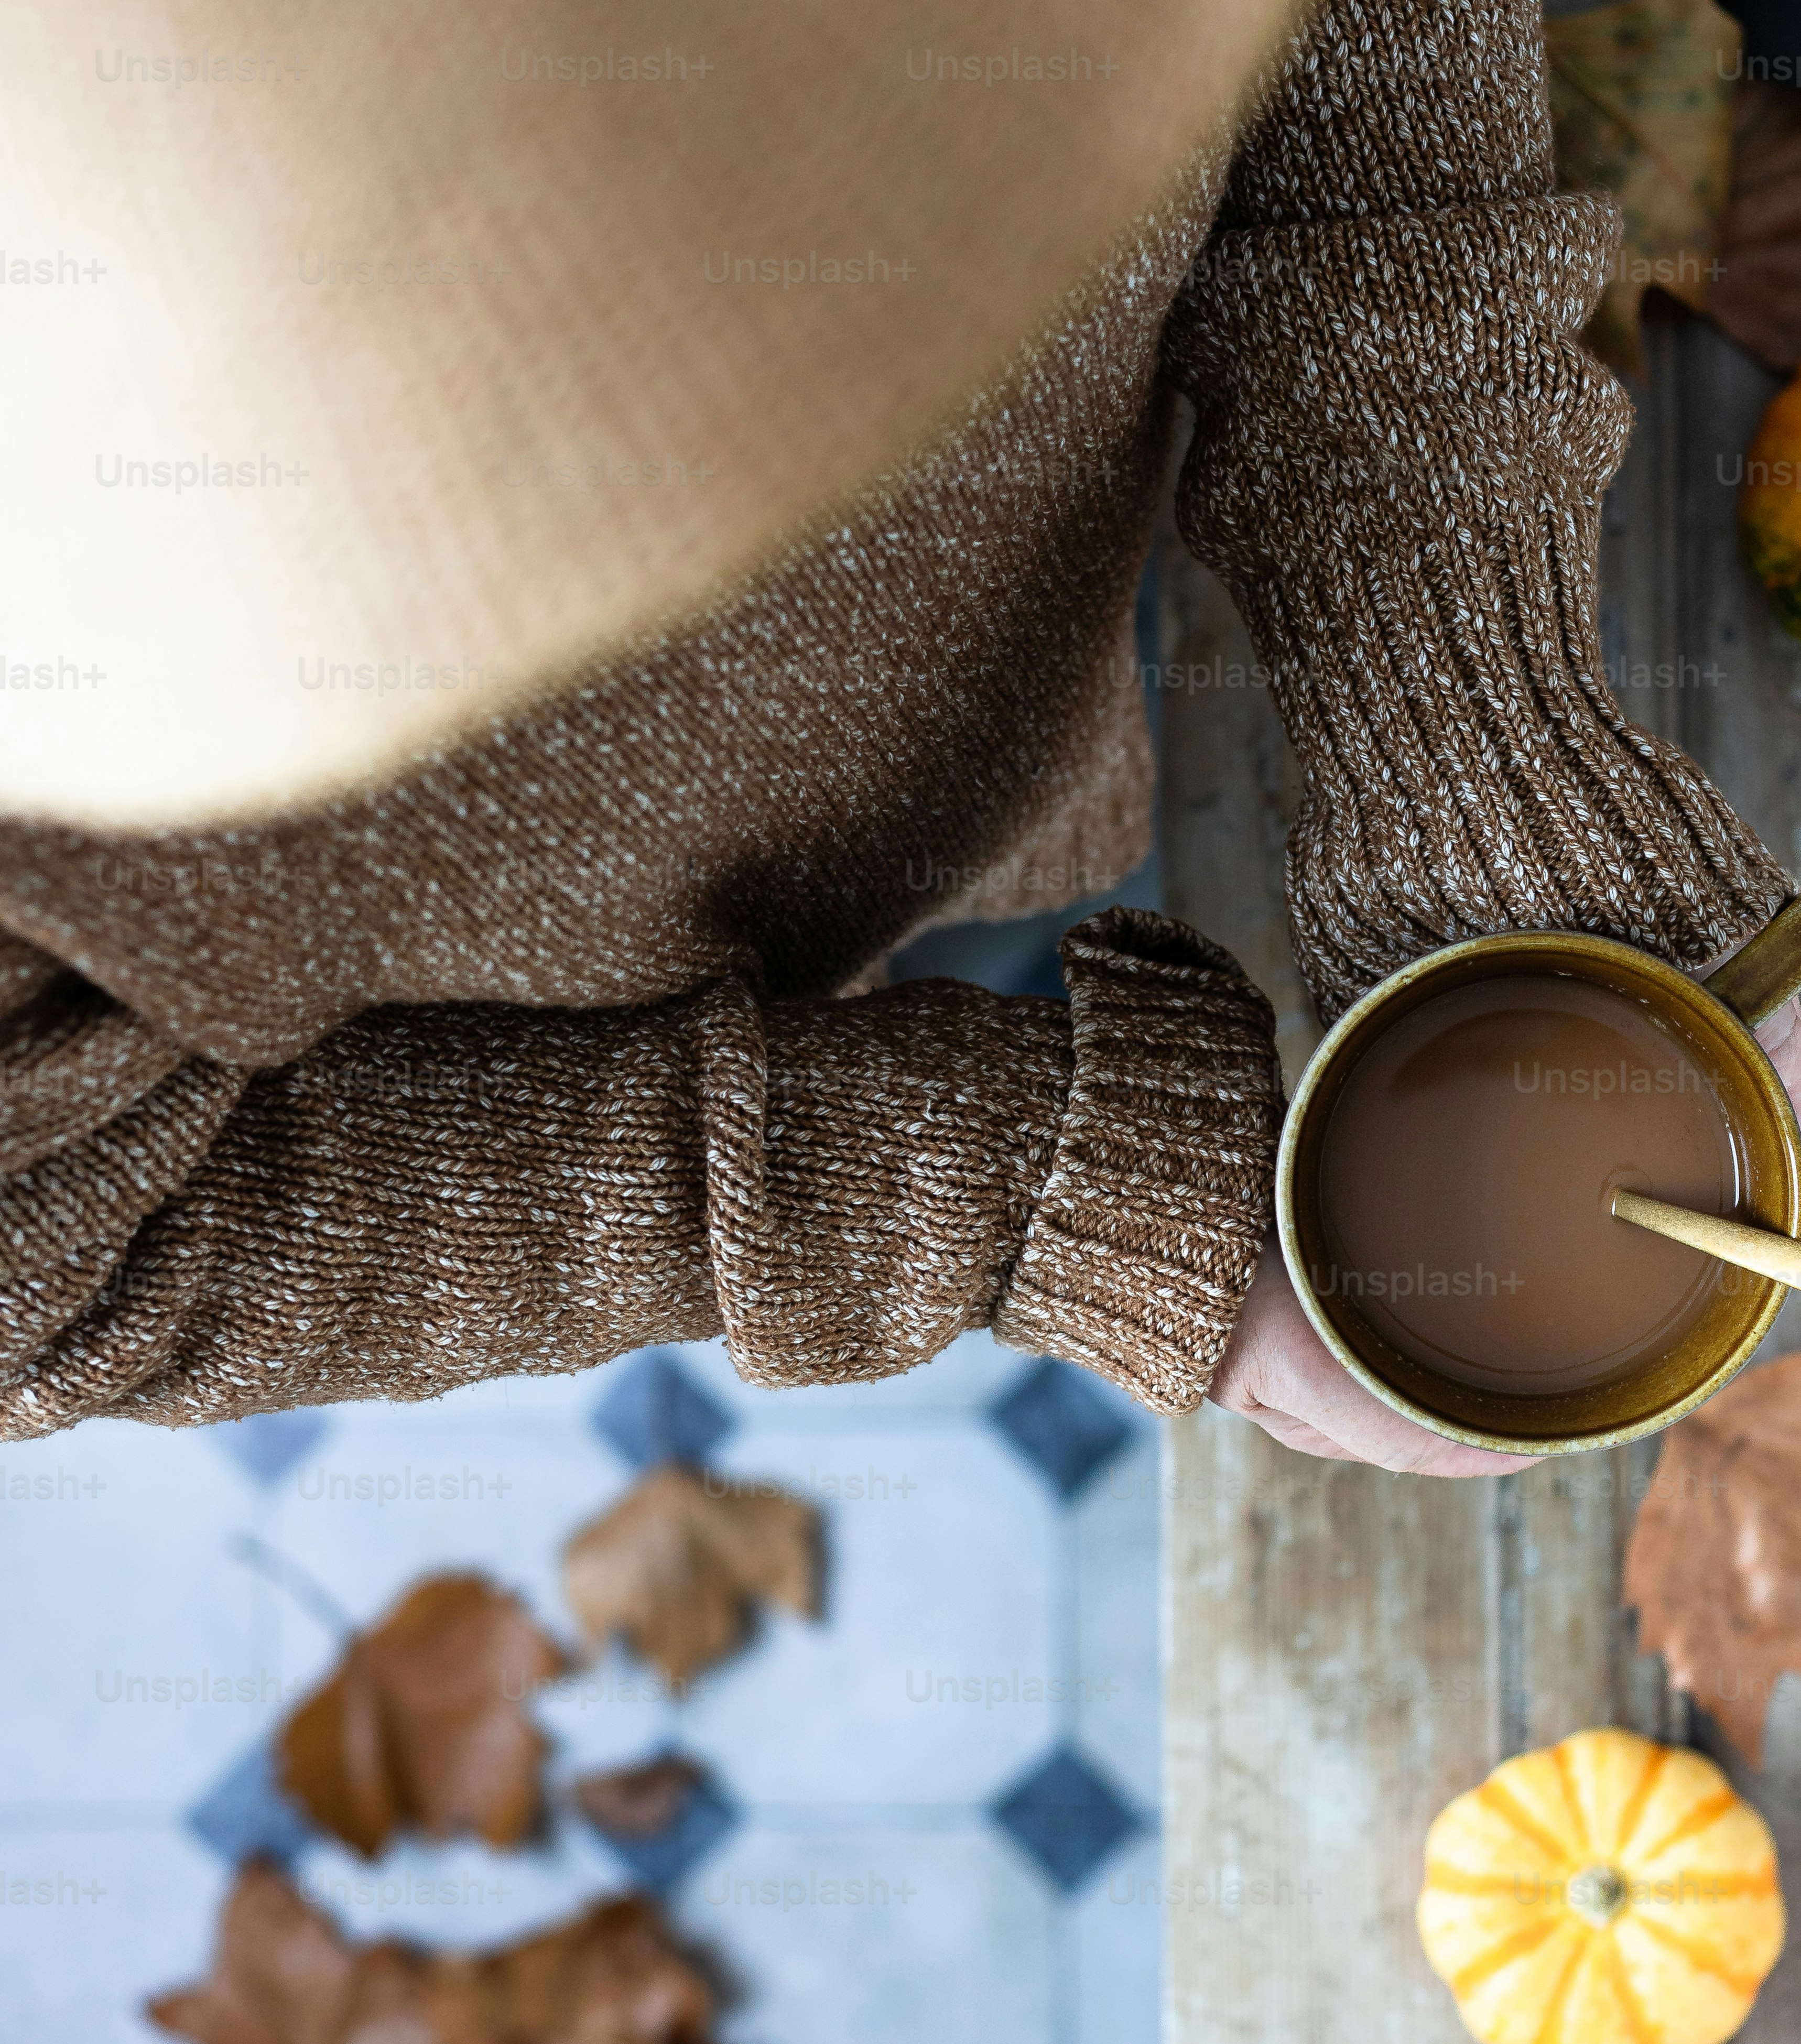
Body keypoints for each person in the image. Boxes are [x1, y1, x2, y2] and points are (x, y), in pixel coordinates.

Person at [3, 0, 1794, 1474]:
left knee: (1023, 851)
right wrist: (1035, 1184)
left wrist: (1452, 703)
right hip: (561, 1030)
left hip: (1026, 707)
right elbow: (55, 1264)